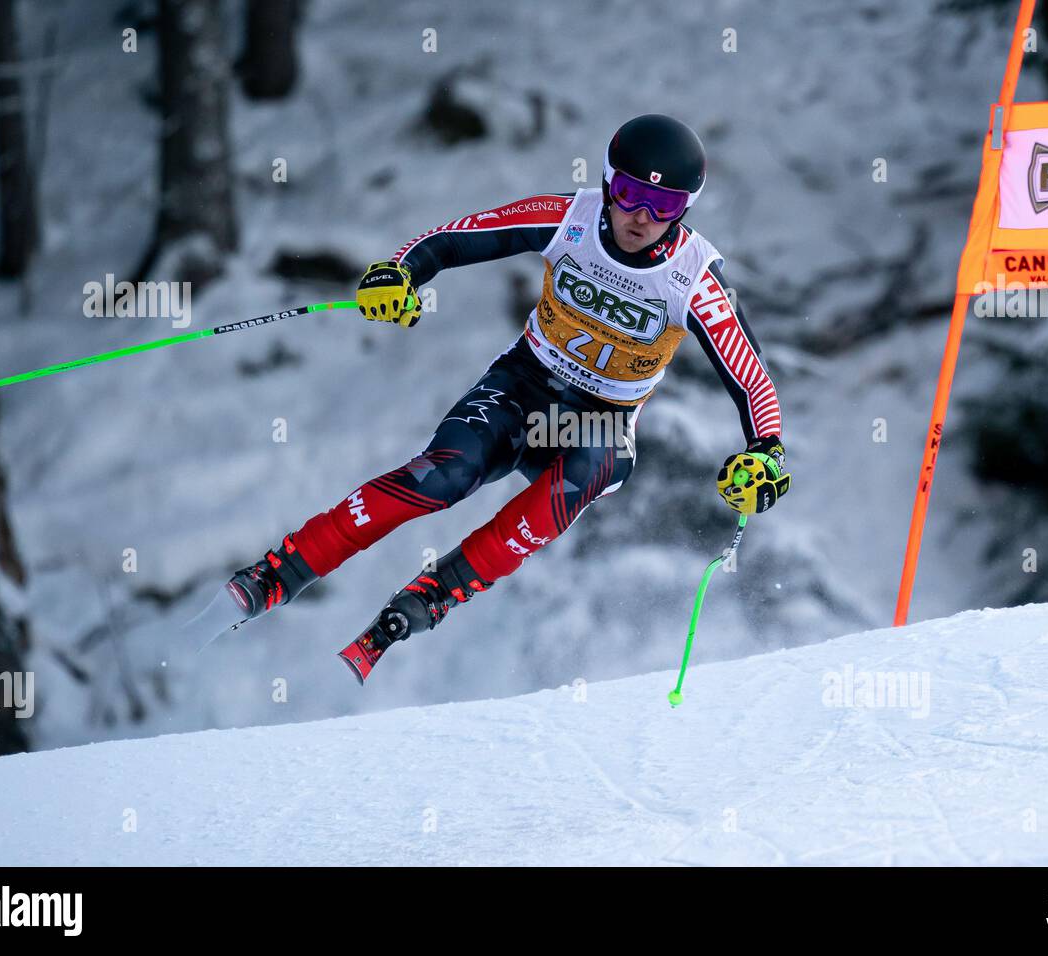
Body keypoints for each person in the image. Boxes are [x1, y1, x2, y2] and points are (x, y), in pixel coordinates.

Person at [219, 114, 791, 683]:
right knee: (444, 475)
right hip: (523, 386)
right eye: (630, 194)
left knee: (585, 470)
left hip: (601, 422)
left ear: (684, 209)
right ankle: (283, 570)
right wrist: (402, 273)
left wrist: (766, 451)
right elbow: (454, 238)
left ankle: (436, 592)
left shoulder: (693, 277)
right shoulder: (570, 217)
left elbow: (750, 375)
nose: (641, 217)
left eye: (663, 206)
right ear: (608, 181)